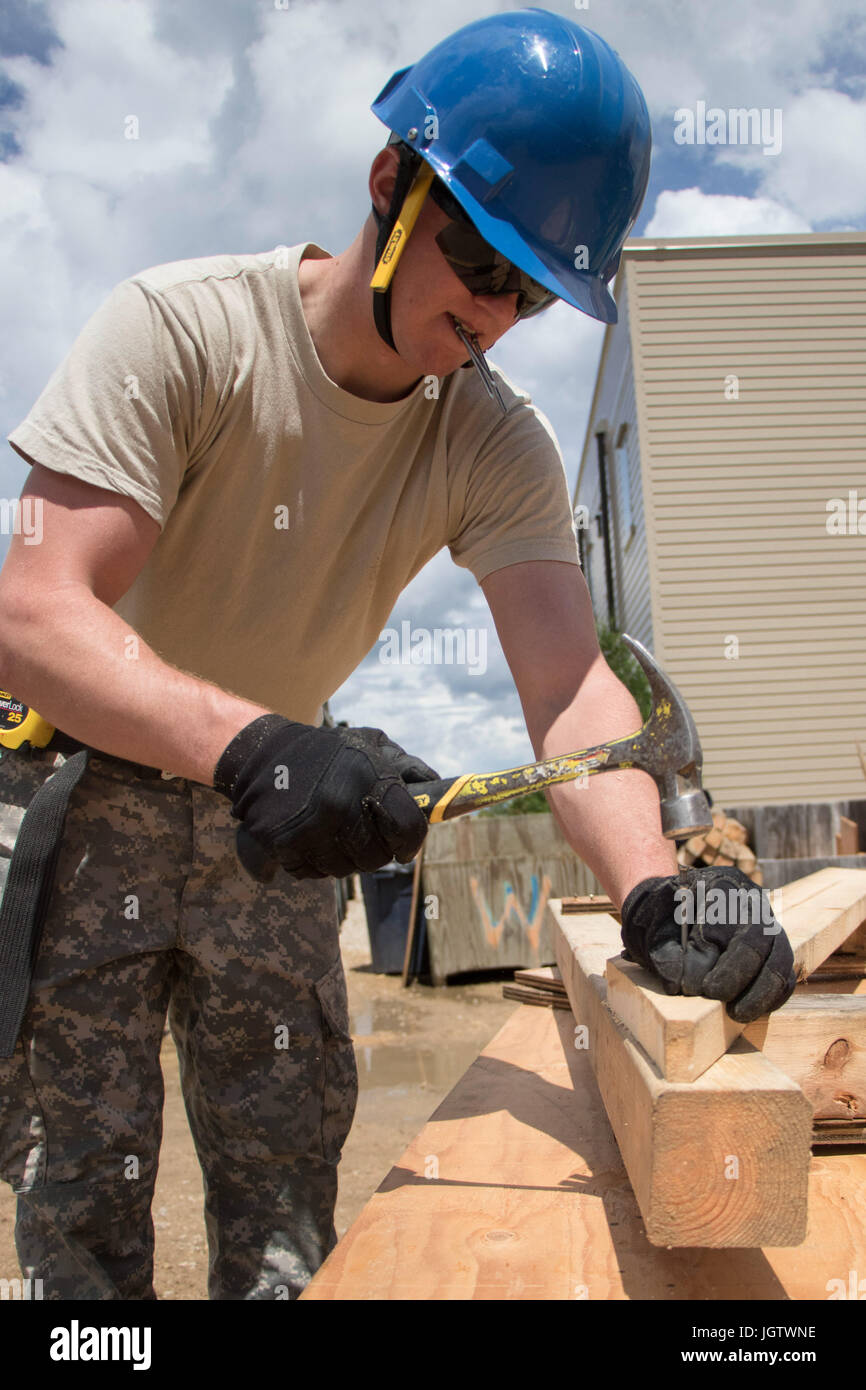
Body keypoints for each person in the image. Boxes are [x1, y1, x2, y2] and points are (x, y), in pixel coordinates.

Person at [0, 10, 794, 1301]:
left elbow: (570, 692)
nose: (495, 312)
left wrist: (658, 892)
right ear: (390, 182)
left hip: (281, 829)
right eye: (480, 259)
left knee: (280, 1213)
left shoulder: (493, 442)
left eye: (532, 290)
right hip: (107, 799)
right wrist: (256, 745)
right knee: (84, 1207)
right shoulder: (178, 329)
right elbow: (33, 613)